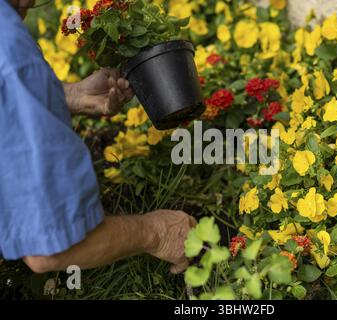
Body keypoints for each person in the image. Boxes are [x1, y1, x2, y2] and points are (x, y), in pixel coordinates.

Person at [0, 0, 196, 275]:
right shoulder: (8, 49)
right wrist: (156, 232)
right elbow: (50, 249)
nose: (28, 10)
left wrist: (69, 96)